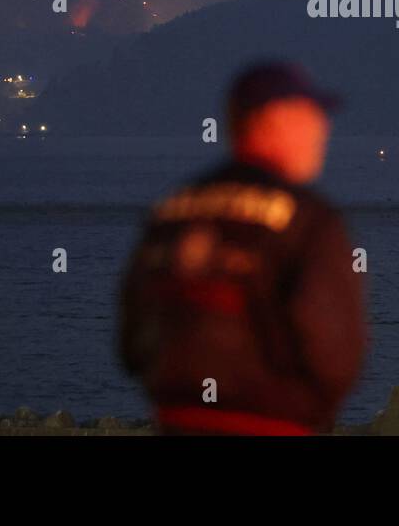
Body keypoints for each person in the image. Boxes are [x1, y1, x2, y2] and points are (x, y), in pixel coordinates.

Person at [118, 60, 366, 435]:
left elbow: (131, 340)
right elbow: (335, 347)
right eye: (309, 116)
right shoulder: (308, 218)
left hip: (176, 422)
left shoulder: (171, 211)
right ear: (274, 119)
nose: (322, 130)